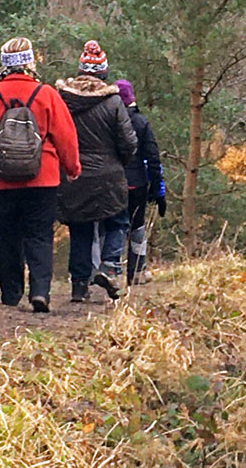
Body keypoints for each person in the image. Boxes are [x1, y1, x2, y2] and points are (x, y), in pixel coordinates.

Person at [0, 37, 81, 313]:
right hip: (43, 177)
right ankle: (40, 292)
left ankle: (11, 293)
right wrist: (72, 168)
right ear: (30, 62)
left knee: (7, 234)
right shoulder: (47, 94)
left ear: (4, 64)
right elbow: (66, 136)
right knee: (39, 234)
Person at [57, 40, 137, 301]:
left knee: (80, 228)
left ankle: (79, 284)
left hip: (73, 174)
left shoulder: (63, 100)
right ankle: (110, 267)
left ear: (80, 71)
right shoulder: (113, 103)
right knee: (117, 220)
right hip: (108, 174)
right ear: (103, 73)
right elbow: (129, 142)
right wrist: (119, 162)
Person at [114, 79, 166, 285]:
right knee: (137, 226)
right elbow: (153, 157)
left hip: (113, 182)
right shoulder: (142, 123)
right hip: (137, 183)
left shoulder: (109, 121)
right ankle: (137, 270)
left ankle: (111, 270)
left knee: (112, 227)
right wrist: (158, 188)